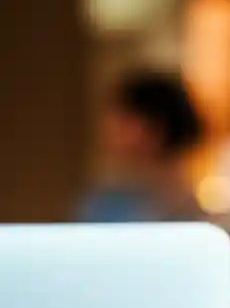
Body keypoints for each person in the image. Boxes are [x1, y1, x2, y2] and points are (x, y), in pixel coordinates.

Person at [79, 71, 206, 223]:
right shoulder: (105, 204)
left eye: (123, 120)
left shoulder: (194, 214)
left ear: (155, 128)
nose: (109, 129)